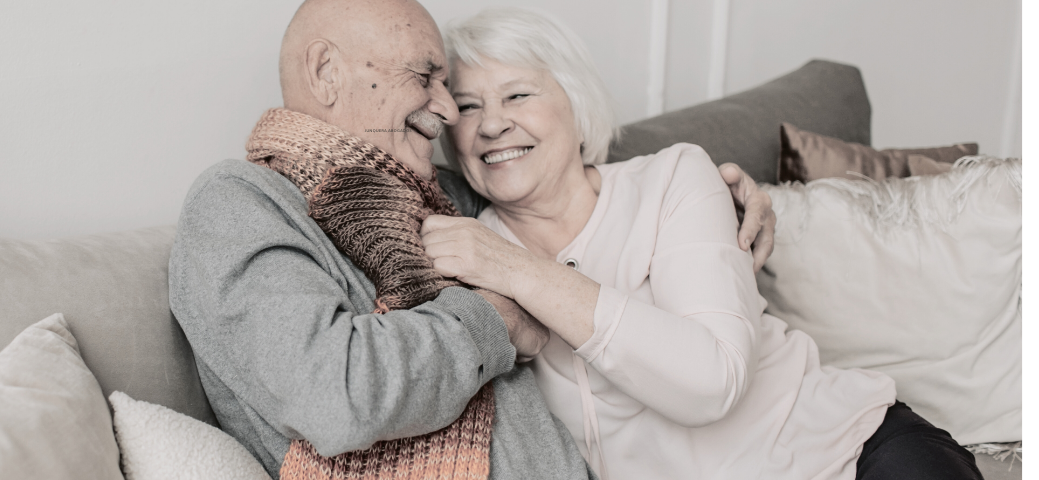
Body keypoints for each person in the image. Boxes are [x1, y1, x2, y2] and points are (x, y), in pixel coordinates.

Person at [169, 0, 774, 478]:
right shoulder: (240, 203)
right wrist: (497, 320)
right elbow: (336, 394)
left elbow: (566, 185)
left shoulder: (441, 196)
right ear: (327, 72)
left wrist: (734, 198)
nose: (450, 113)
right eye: (428, 78)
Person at [420, 7, 983, 480]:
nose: (491, 125)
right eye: (467, 106)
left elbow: (713, 382)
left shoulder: (674, 178)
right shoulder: (463, 247)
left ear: (575, 101)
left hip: (851, 451)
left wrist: (521, 273)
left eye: (517, 95)